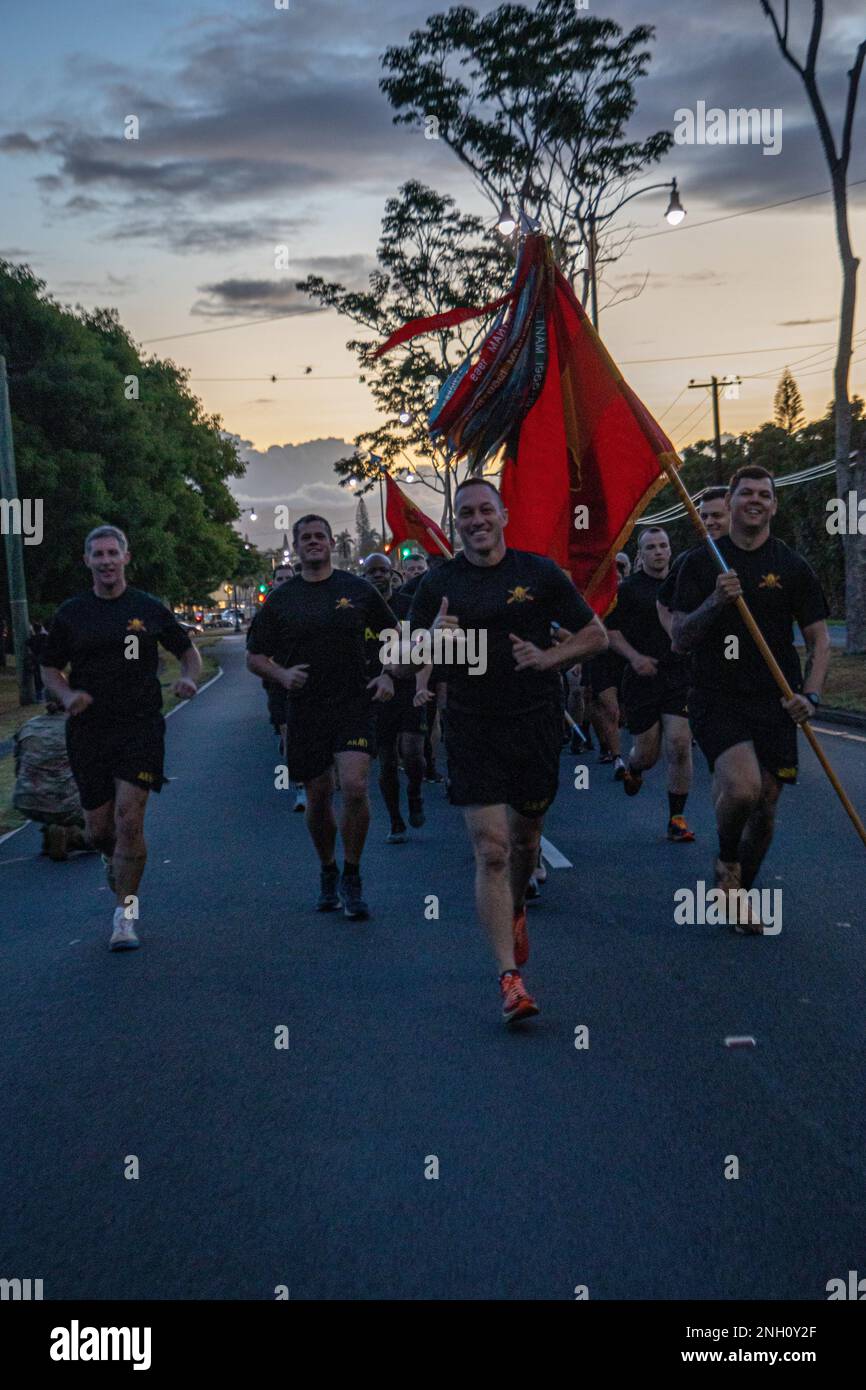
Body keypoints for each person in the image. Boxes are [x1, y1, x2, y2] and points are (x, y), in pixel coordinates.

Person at [410, 479, 607, 1025]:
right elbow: (401, 663)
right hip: (471, 725)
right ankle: (509, 978)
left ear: (502, 515)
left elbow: (596, 636)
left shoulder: (538, 574)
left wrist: (550, 659)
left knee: (524, 842)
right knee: (491, 849)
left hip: (534, 722)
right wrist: (429, 637)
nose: (476, 520)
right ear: (455, 524)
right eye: (465, 513)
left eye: (484, 510)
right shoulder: (439, 584)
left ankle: (516, 906)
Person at [669, 466, 830, 929]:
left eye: (764, 494)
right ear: (732, 502)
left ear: (774, 505)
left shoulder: (792, 566)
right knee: (743, 787)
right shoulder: (702, 563)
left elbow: (818, 640)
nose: (755, 500)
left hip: (776, 698)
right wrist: (715, 601)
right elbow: (679, 637)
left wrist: (812, 695)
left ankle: (741, 891)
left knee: (768, 804)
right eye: (746, 494)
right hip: (716, 695)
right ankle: (725, 863)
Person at [40, 525, 201, 950]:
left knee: (130, 819)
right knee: (99, 831)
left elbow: (187, 650)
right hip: (89, 729)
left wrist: (188, 679)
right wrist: (66, 693)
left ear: (126, 558)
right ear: (88, 561)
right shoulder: (72, 613)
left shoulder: (147, 608)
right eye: (99, 554)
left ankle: (124, 916)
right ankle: (110, 859)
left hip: (140, 726)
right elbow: (49, 668)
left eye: (114, 553)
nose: (107, 561)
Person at [246, 514, 398, 920]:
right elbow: (254, 656)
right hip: (306, 708)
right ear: (296, 548)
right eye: (306, 538)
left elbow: (393, 635)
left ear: (333, 543)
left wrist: (387, 674)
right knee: (317, 797)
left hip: (353, 702)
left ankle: (352, 872)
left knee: (353, 786)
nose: (314, 543)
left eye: (320, 537)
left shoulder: (358, 590)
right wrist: (280, 674)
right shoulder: (282, 599)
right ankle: (327, 869)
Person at [607, 527, 696, 841]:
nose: (658, 552)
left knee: (680, 743)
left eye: (663, 546)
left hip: (678, 677)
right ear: (641, 554)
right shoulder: (628, 590)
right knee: (648, 754)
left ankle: (677, 819)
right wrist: (634, 658)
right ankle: (635, 767)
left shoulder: (685, 586)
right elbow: (612, 633)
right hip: (642, 678)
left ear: (670, 551)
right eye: (651, 547)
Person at [362, 552, 428, 843]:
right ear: (365, 576)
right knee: (387, 760)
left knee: (413, 752)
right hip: (374, 692)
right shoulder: (359, 609)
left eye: (383, 570)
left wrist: (421, 684)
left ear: (393, 574)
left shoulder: (407, 607)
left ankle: (415, 791)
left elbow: (424, 648)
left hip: (407, 685)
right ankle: (395, 820)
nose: (378, 575)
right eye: (372, 571)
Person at [13, 700, 89, 860]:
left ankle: (53, 830)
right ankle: (71, 832)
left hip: (26, 800)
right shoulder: (78, 727)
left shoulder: (28, 726)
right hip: (66, 802)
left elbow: (18, 767)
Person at [578, 551, 632, 775]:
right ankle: (618, 758)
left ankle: (612, 743)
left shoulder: (630, 595)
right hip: (600, 656)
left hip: (625, 656)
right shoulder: (592, 599)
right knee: (608, 707)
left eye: (619, 575)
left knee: (621, 711)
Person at [656, 488, 730, 638]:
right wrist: (678, 638)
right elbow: (662, 602)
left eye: (717, 516)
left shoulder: (754, 551)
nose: (708, 522)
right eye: (704, 516)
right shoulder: (688, 559)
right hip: (708, 649)